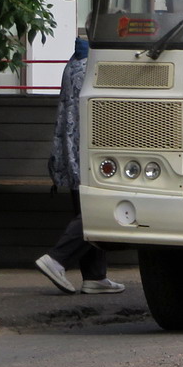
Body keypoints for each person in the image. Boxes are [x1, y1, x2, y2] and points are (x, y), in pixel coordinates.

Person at [34, 37, 125, 295]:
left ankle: (95, 277)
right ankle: (57, 259)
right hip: (91, 154)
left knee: (85, 208)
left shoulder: (73, 64)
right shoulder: (93, 69)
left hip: (72, 153)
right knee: (102, 209)